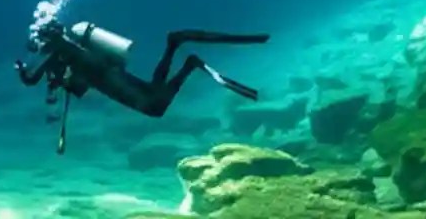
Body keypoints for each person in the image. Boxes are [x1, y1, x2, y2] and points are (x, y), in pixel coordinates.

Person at [16, 21, 267, 153]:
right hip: (112, 73)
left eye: (38, 44)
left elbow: (31, 80)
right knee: (152, 91)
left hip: (109, 81)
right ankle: (177, 48)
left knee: (154, 107)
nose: (38, 49)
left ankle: (184, 57)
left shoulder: (58, 51)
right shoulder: (67, 47)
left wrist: (20, 70)